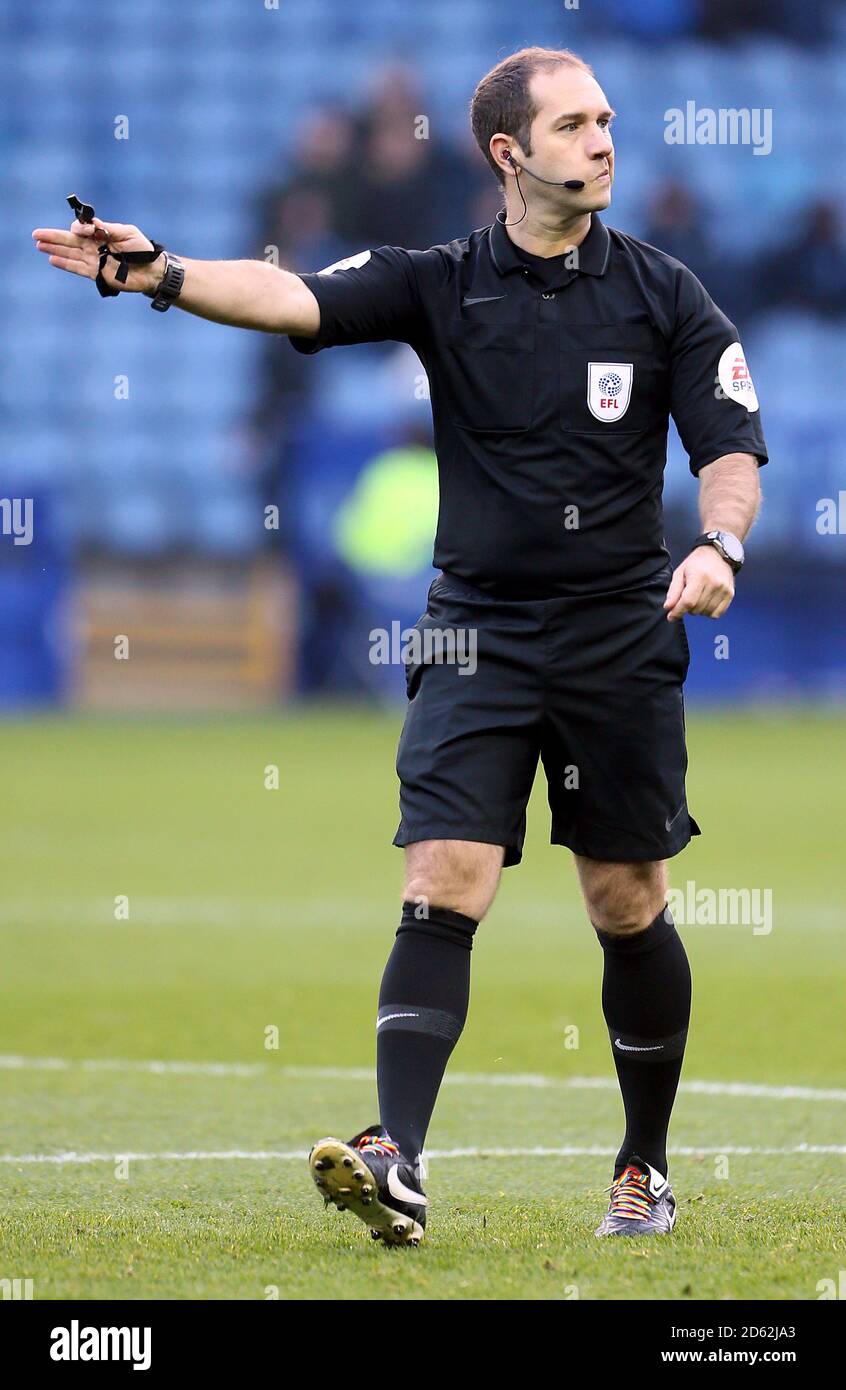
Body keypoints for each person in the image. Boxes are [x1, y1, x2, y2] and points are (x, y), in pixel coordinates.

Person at [33, 45, 767, 1246]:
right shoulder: (438, 280)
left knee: (626, 901)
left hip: (619, 635)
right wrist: (158, 272)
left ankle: (643, 1163)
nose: (603, 141)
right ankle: (401, 1158)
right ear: (508, 153)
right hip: (476, 630)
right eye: (576, 124)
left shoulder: (665, 293)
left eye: (608, 120)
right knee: (442, 879)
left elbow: (730, 444)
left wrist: (721, 547)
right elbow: (292, 297)